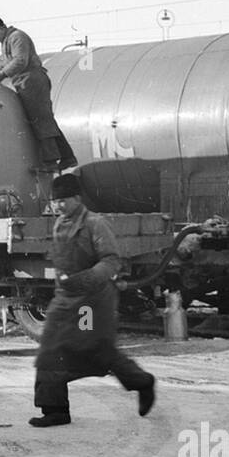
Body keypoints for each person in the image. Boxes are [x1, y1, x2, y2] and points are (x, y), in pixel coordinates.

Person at [30, 173, 155, 427]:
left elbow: (111, 260)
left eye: (64, 200)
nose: (59, 206)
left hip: (93, 300)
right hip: (65, 299)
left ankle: (142, 382)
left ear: (77, 198)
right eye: (55, 201)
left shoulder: (95, 224)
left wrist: (86, 279)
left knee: (98, 350)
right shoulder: (59, 224)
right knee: (49, 351)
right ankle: (55, 410)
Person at [0, 14, 78, 173]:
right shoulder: (7, 41)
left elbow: (20, 61)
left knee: (39, 120)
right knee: (45, 118)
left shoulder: (17, 37)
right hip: (23, 82)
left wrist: (2, 74)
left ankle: (51, 161)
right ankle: (67, 157)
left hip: (32, 80)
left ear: (1, 28)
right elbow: (7, 63)